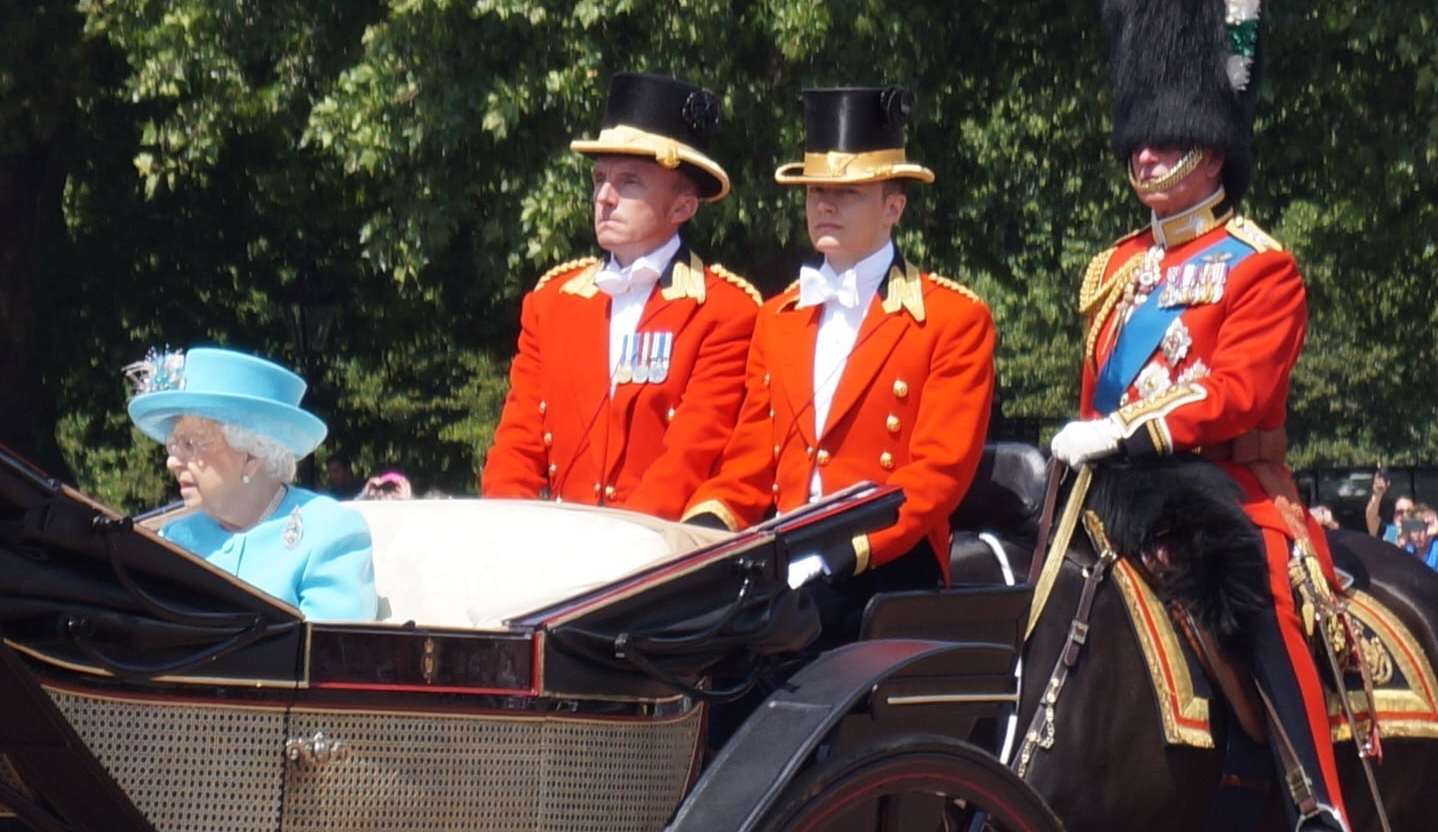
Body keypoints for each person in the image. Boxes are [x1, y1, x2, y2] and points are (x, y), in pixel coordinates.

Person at [1048, 2, 1348, 828]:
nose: (1143, 153)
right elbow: (1096, 393)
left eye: (1163, 137)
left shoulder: (1260, 267)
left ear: (1210, 147)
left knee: (1262, 606)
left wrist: (1125, 429)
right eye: (1137, 139)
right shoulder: (1115, 266)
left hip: (1227, 482)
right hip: (1111, 489)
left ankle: (1314, 801)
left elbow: (1238, 393)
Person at [682, 85, 995, 639]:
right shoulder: (778, 317)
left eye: (847, 193)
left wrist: (841, 549)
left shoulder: (951, 318)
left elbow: (937, 473)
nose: (825, 205)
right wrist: (708, 525)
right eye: (816, 192)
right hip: (785, 563)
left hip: (887, 566)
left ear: (893, 208)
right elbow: (753, 456)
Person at [481, 72, 761, 520]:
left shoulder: (725, 312)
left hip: (661, 561)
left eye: (630, 182)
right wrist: (509, 530)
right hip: (555, 556)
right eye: (599, 179)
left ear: (682, 207)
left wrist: (622, 554)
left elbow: (689, 456)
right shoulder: (552, 302)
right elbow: (517, 443)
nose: (605, 197)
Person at [125, 346, 378, 621]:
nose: (172, 462)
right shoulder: (175, 537)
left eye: (190, 444)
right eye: (173, 445)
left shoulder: (329, 533)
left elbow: (330, 656)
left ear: (251, 456)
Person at [1364, 468, 1411, 542]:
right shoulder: (1391, 531)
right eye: (1400, 512)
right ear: (1394, 514)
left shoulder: (1419, 532)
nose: (1405, 515)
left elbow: (1431, 525)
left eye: (1409, 511)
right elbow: (1371, 517)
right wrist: (1378, 494)